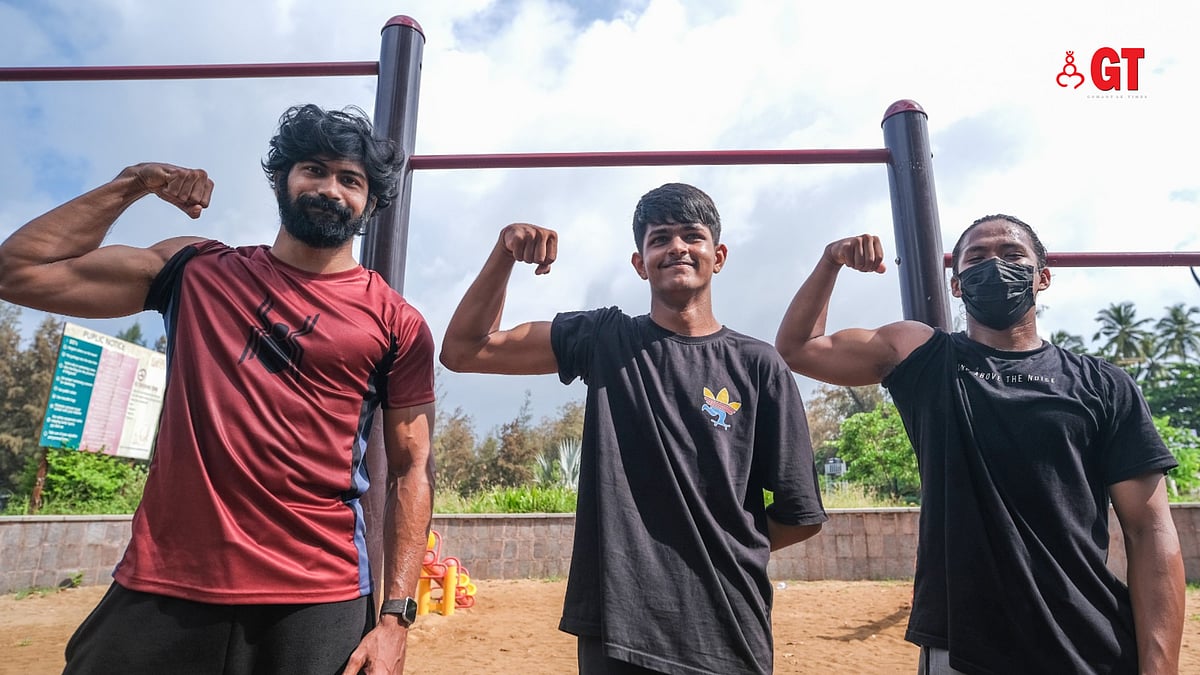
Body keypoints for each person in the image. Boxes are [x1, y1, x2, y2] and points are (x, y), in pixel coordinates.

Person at [0, 104, 436, 675]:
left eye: (350, 180)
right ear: (283, 180)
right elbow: (19, 270)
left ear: (370, 203)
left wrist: (394, 619)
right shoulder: (197, 271)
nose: (330, 188)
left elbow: (411, 471)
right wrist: (132, 183)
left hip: (317, 594)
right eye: (314, 169)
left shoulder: (396, 320)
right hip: (167, 582)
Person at [440, 183, 827, 674]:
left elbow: (801, 513)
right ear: (640, 263)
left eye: (693, 235)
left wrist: (721, 542)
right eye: (660, 238)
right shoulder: (605, 338)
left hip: (729, 626)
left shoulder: (759, 366)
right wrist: (503, 255)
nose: (677, 248)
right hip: (618, 629)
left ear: (719, 255)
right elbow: (464, 350)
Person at [775, 216, 1184, 674]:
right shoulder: (925, 357)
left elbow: (1151, 531)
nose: (994, 266)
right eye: (976, 258)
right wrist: (831, 261)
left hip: (1087, 643)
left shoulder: (1102, 385)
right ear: (956, 285)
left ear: (1042, 277)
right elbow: (797, 348)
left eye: (1012, 256)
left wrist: (1160, 667)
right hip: (965, 649)